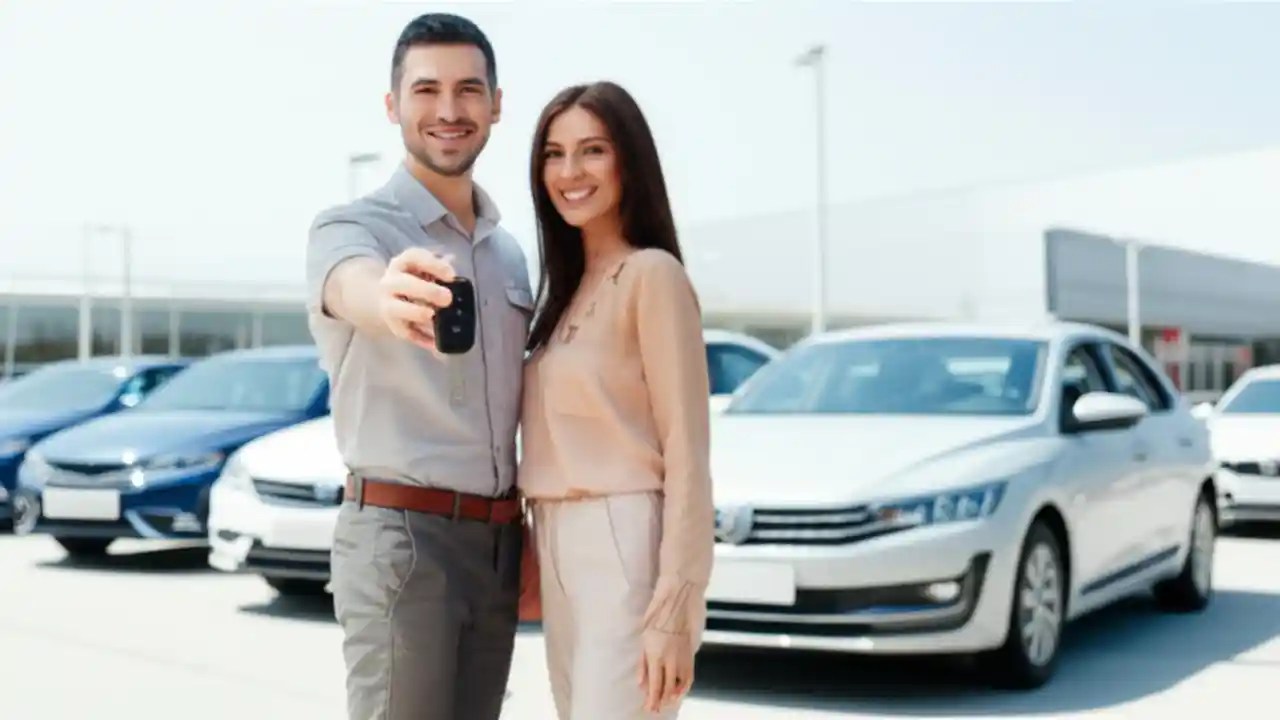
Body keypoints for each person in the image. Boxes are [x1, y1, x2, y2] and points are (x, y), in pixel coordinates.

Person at [305, 13, 533, 720]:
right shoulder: (352, 228)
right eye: (425, 89)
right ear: (393, 105)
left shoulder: (509, 255)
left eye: (469, 90)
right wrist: (389, 297)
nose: (448, 110)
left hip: (497, 544)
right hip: (403, 542)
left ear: (496, 104)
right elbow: (356, 285)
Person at [518, 81, 716, 719]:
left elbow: (688, 450)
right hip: (555, 542)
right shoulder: (562, 295)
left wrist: (676, 607)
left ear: (627, 160)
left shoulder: (653, 276)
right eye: (554, 154)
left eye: (591, 150)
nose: (570, 172)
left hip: (625, 538)